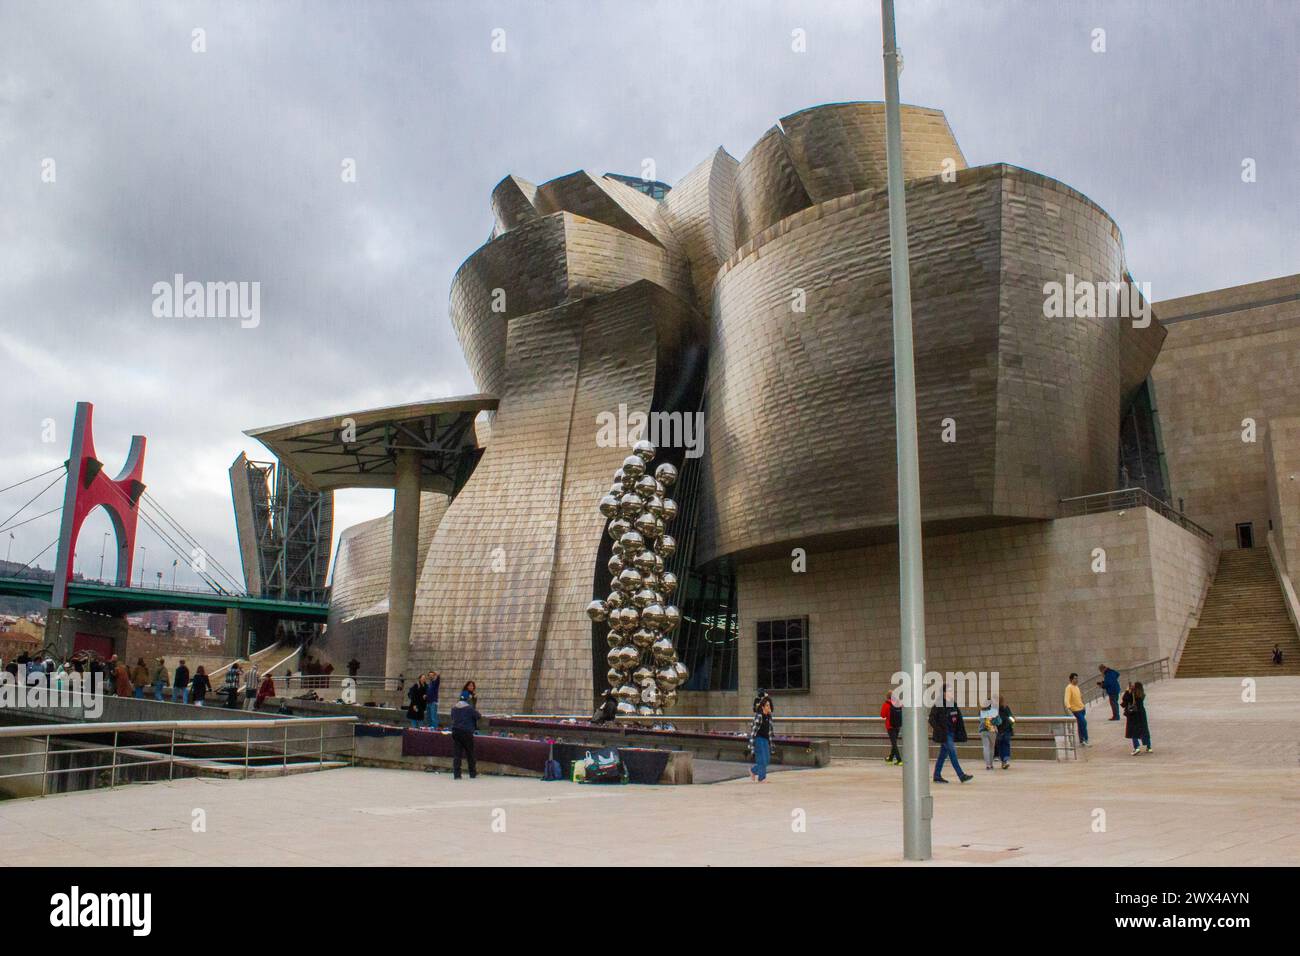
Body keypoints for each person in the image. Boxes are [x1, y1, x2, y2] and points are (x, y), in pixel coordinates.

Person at [929, 685, 973, 783]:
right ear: (944, 692)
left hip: (951, 733)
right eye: (949, 691)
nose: (951, 692)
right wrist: (939, 730)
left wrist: (960, 731)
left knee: (942, 755)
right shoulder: (938, 704)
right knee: (952, 753)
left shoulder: (953, 704)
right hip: (945, 734)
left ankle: (937, 775)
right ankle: (961, 775)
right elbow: (931, 719)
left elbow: (958, 719)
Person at [450, 688, 482, 779]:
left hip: (456, 732)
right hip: (466, 732)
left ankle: (457, 774)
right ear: (468, 699)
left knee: (457, 754)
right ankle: (472, 773)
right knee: (470, 753)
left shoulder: (454, 708)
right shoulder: (469, 708)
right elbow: (478, 716)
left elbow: (452, 717)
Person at [1122, 681, 1152, 755]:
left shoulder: (1132, 694)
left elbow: (1124, 700)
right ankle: (1149, 747)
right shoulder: (1142, 694)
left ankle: (1136, 748)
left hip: (1133, 714)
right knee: (1144, 730)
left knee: (1133, 731)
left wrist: (1127, 691)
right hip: (1141, 714)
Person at [748, 697, 774, 782]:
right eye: (766, 705)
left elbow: (770, 731)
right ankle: (762, 778)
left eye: (769, 705)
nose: (768, 707)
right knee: (762, 760)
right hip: (759, 739)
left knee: (767, 760)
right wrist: (752, 745)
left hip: (766, 740)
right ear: (762, 707)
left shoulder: (769, 717)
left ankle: (753, 770)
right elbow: (753, 731)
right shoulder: (759, 716)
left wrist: (771, 743)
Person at [1065, 673, 1089, 746]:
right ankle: (1085, 739)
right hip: (1076, 710)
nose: (1076, 680)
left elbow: (1079, 697)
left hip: (1081, 709)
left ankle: (1082, 741)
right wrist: (1069, 708)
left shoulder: (1077, 687)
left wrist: (1083, 705)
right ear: (1071, 679)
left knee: (1081, 725)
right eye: (1075, 678)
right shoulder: (1069, 687)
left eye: (1077, 678)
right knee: (1084, 723)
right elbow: (1066, 699)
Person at [880, 689, 903, 765]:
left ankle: (899, 760)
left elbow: (883, 715)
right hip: (897, 725)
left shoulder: (886, 704)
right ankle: (890, 758)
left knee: (894, 743)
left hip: (890, 726)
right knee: (894, 742)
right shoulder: (898, 703)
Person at [977, 698, 999, 770]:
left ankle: (987, 765)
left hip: (983, 731)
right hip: (992, 730)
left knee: (985, 747)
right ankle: (991, 764)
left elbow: (980, 721)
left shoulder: (981, 711)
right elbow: (998, 721)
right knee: (992, 748)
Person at [994, 695, 1015, 769]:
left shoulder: (994, 710)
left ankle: (1003, 761)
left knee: (1000, 746)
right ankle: (1005, 760)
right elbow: (1012, 718)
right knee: (1006, 744)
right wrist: (1012, 723)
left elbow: (993, 721)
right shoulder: (1006, 708)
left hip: (999, 731)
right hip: (1007, 730)